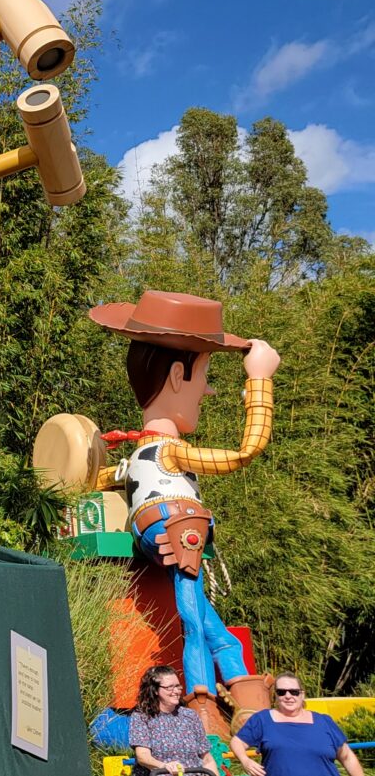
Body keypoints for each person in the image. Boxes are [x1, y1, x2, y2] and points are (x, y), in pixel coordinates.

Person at [90, 291, 278, 734]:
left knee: (209, 622)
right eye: (205, 377)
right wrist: (259, 379)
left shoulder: (137, 454)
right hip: (180, 530)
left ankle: (245, 693)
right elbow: (245, 452)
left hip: (159, 535)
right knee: (193, 619)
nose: (209, 390)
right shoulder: (171, 450)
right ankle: (202, 709)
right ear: (178, 375)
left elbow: (96, 478)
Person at [229, 673, 366, 776]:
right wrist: (245, 760)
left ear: (302, 695)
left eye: (294, 692)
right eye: (281, 692)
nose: (288, 696)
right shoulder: (263, 720)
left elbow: (346, 756)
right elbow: (237, 742)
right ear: (275, 696)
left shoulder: (323, 721)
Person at [130, 664, 220, 776]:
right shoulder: (142, 717)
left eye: (178, 686)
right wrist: (164, 766)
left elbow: (207, 759)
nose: (176, 691)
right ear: (155, 690)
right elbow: (143, 756)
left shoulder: (190, 716)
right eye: (169, 687)